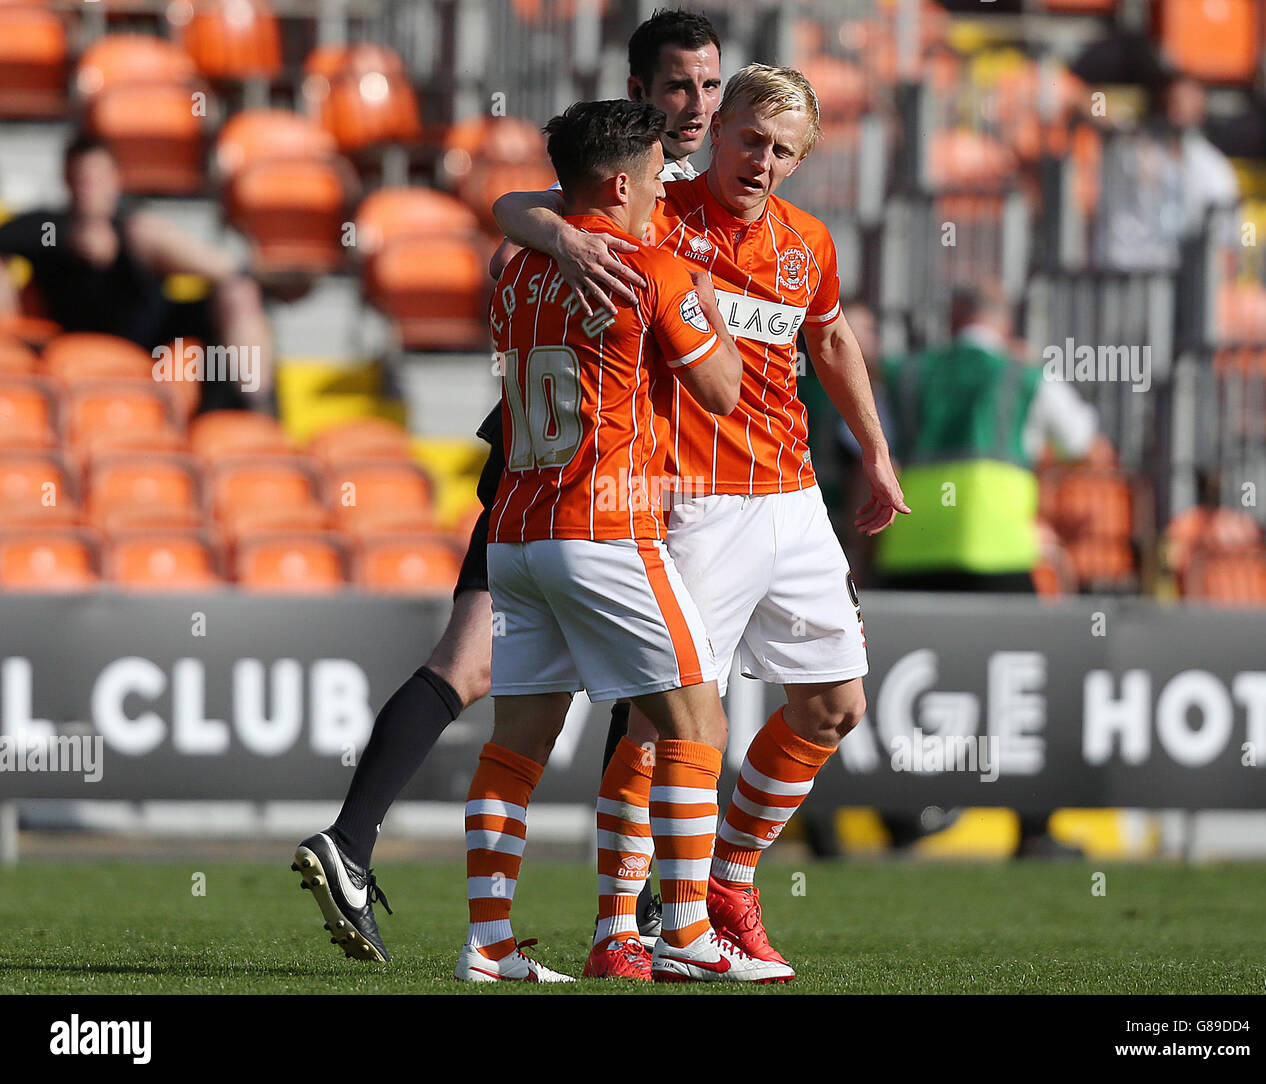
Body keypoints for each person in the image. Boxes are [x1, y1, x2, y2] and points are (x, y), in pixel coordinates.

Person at [291, 6, 725, 965]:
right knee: (659, 692)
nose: (696, 104)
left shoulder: (708, 186)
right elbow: (513, 210)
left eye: (709, 84)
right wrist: (565, 238)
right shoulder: (630, 181)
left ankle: (565, 914)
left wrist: (550, 237)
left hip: (634, 468)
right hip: (591, 469)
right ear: (639, 93)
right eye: (677, 86)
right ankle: (654, 913)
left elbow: (515, 221)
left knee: (576, 687)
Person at [492, 64, 908, 975]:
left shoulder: (809, 242)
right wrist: (560, 234)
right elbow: (516, 204)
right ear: (718, 132)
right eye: (750, 138)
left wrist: (873, 451)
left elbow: (830, 339)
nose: (762, 161)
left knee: (835, 706)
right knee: (666, 725)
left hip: (793, 497)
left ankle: (729, 878)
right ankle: (620, 929)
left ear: (800, 161)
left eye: (782, 151)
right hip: (692, 499)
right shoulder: (659, 209)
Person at [451, 98, 796, 984]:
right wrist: (709, 305)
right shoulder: (653, 268)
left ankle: (487, 944)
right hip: (603, 525)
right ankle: (681, 932)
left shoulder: (519, 267)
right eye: (652, 177)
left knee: (516, 744)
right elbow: (721, 389)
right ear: (618, 181)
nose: (661, 191)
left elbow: (514, 229)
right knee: (697, 718)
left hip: (516, 535)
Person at [873, 281, 1112, 857]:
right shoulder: (1024, 374)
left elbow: (860, 441)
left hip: (911, 548)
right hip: (998, 552)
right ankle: (1033, 829)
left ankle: (901, 818)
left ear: (952, 320)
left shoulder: (904, 373)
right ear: (1003, 324)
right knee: (1027, 686)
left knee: (892, 685)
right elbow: (1084, 441)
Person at [0, 133, 273, 412]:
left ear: (116, 179)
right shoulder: (49, 229)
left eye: (98, 178)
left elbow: (228, 273)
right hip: (71, 342)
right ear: (67, 180)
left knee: (239, 293)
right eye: (83, 179)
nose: (90, 189)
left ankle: (254, 410)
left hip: (152, 337)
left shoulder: (137, 229)